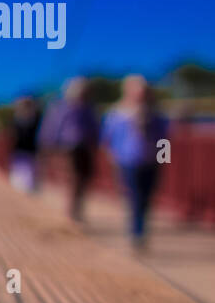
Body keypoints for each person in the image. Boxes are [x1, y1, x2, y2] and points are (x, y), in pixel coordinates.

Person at [102, 74, 168, 250]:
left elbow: (165, 138)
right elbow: (108, 138)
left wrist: (163, 159)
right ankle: (137, 233)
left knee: (147, 198)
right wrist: (113, 156)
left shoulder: (155, 114)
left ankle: (140, 229)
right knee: (135, 197)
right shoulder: (118, 113)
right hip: (128, 160)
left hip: (151, 160)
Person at [38, 77, 99, 222]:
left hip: (86, 148)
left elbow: (95, 127)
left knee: (84, 178)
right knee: (73, 179)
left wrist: (96, 143)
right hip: (68, 148)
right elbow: (52, 127)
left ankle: (77, 208)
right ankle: (71, 212)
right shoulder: (62, 108)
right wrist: (48, 145)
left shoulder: (89, 108)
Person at [8, 95, 42, 193]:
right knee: (16, 182)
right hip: (18, 155)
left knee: (29, 184)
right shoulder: (16, 120)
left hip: (31, 155)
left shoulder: (37, 120)